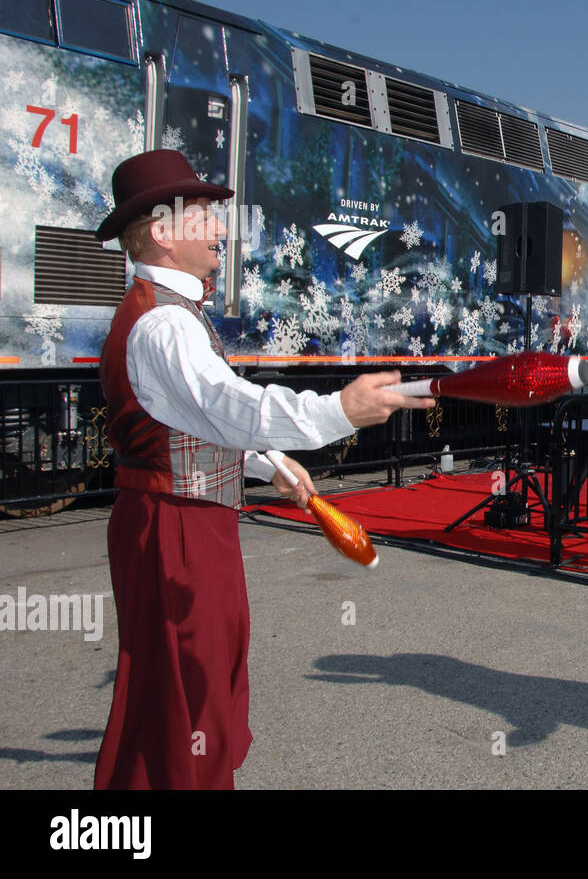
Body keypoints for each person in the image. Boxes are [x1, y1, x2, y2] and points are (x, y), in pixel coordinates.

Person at [93, 150, 437, 789]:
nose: (221, 230)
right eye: (203, 215)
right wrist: (339, 409)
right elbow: (229, 405)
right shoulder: (165, 323)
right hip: (175, 533)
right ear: (164, 233)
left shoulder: (167, 312)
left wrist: (265, 463)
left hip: (188, 527)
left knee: (184, 690)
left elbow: (195, 418)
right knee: (185, 693)